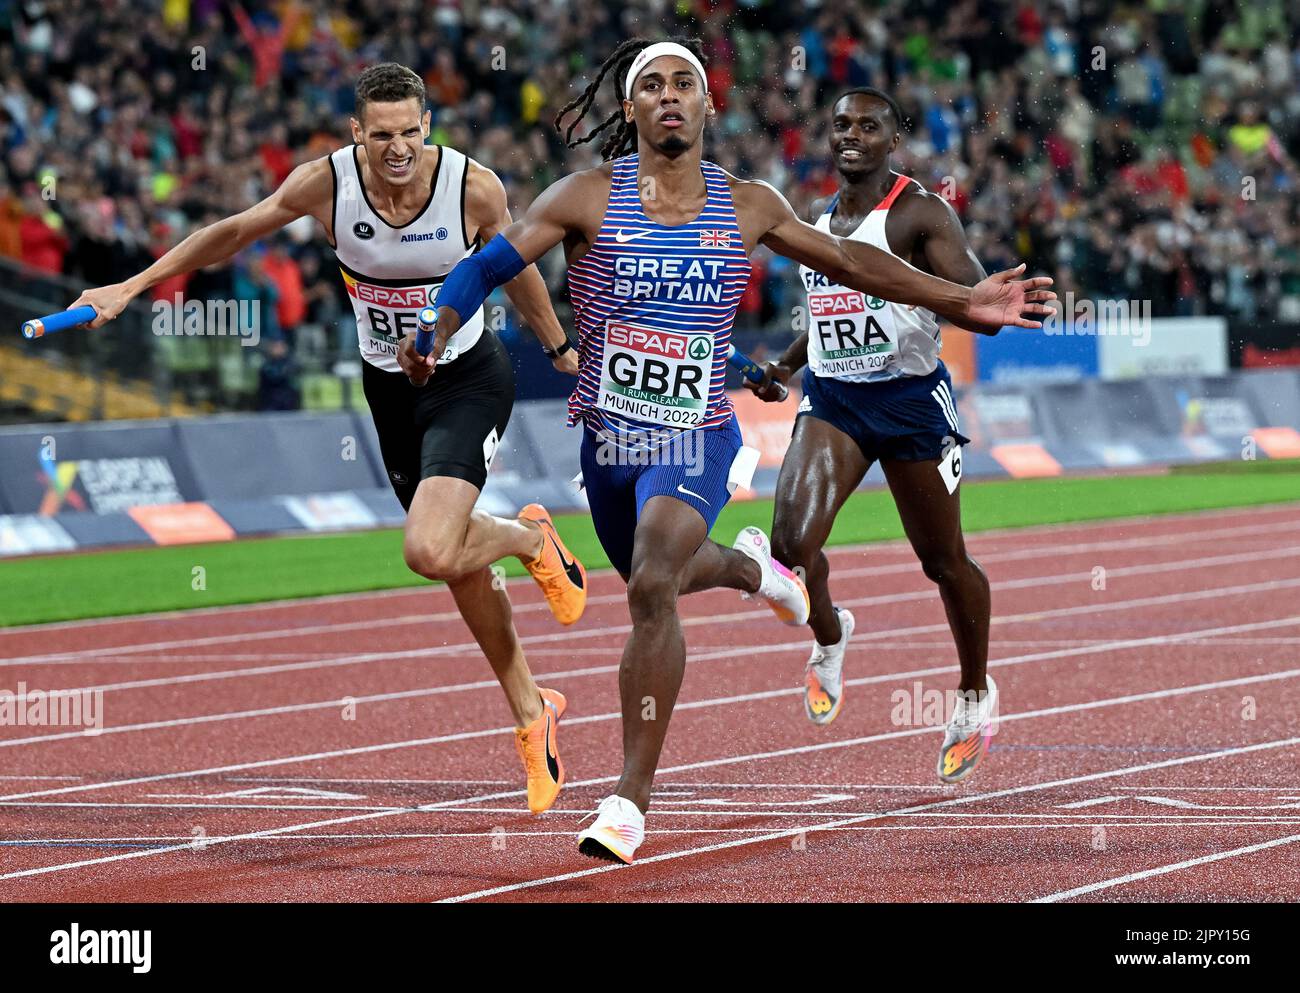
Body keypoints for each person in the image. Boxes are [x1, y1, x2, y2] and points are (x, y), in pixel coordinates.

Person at [405, 39, 1053, 864]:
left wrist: (966, 298)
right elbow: (485, 267)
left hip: (698, 430)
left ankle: (629, 802)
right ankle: (759, 573)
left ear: (709, 107)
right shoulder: (583, 197)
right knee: (662, 573)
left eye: (686, 83)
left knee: (650, 585)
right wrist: (433, 323)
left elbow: (857, 264)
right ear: (631, 109)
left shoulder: (749, 204)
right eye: (652, 86)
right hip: (613, 435)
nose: (670, 96)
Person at [68, 63, 586, 816]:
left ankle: (529, 539)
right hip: (388, 388)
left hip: (468, 378)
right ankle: (533, 711)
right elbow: (236, 231)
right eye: (382, 135)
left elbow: (516, 271)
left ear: (427, 127)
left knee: (429, 547)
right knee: (455, 568)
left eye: (411, 131)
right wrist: (132, 286)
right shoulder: (328, 184)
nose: (398, 147)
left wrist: (560, 345)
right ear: (356, 133)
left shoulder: (473, 188)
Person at [749, 88, 1008, 783]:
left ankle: (975, 696)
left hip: (909, 402)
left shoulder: (920, 211)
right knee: (790, 544)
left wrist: (994, 302)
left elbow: (972, 299)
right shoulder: (820, 218)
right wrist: (785, 363)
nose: (851, 135)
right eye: (840, 125)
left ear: (893, 140)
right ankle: (831, 635)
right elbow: (831, 303)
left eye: (868, 125)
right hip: (835, 399)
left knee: (944, 561)